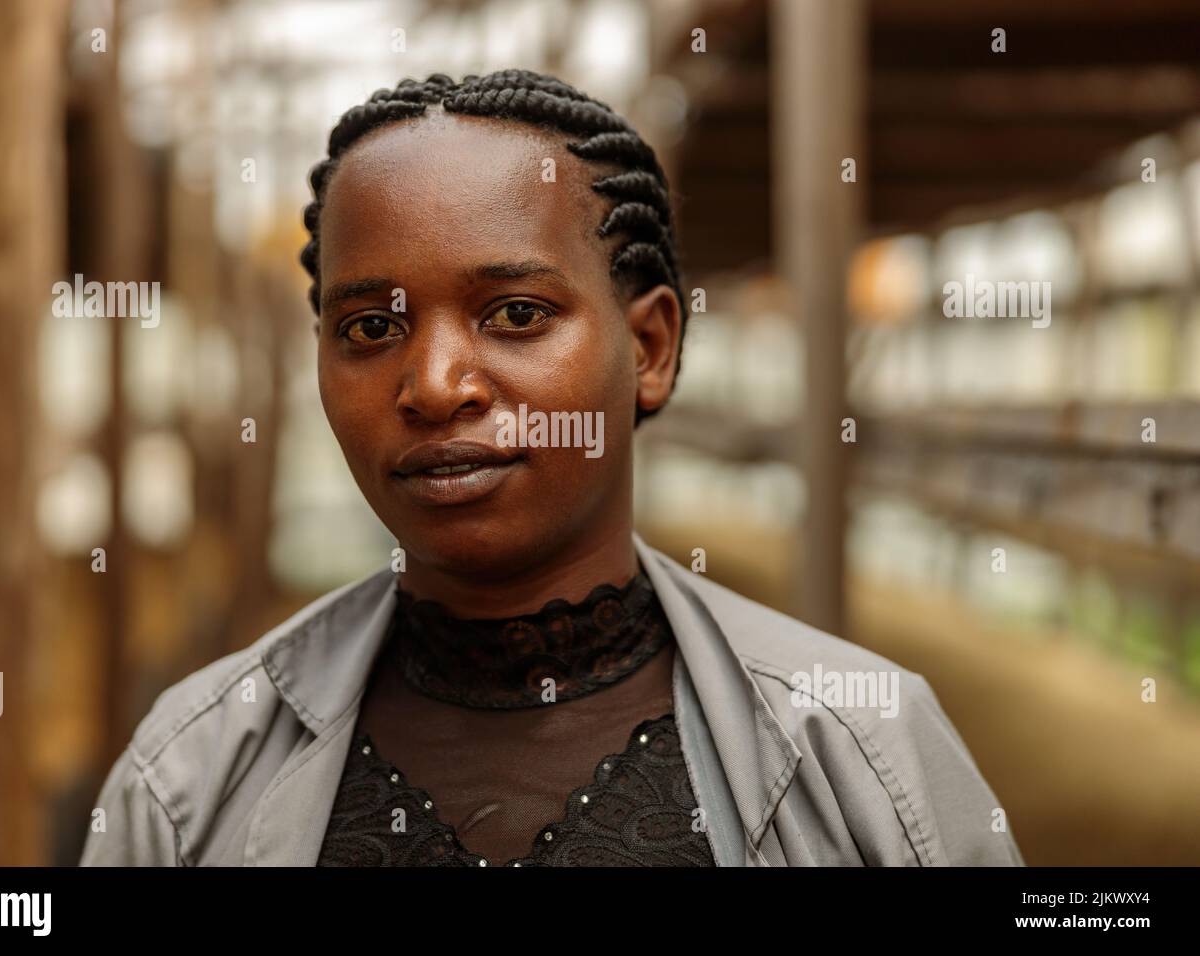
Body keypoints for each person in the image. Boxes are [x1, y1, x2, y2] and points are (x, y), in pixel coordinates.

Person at [80, 69, 1023, 867]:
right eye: (371, 327)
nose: (436, 386)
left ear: (649, 348)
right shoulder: (184, 782)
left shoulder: (865, 749)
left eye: (516, 314)